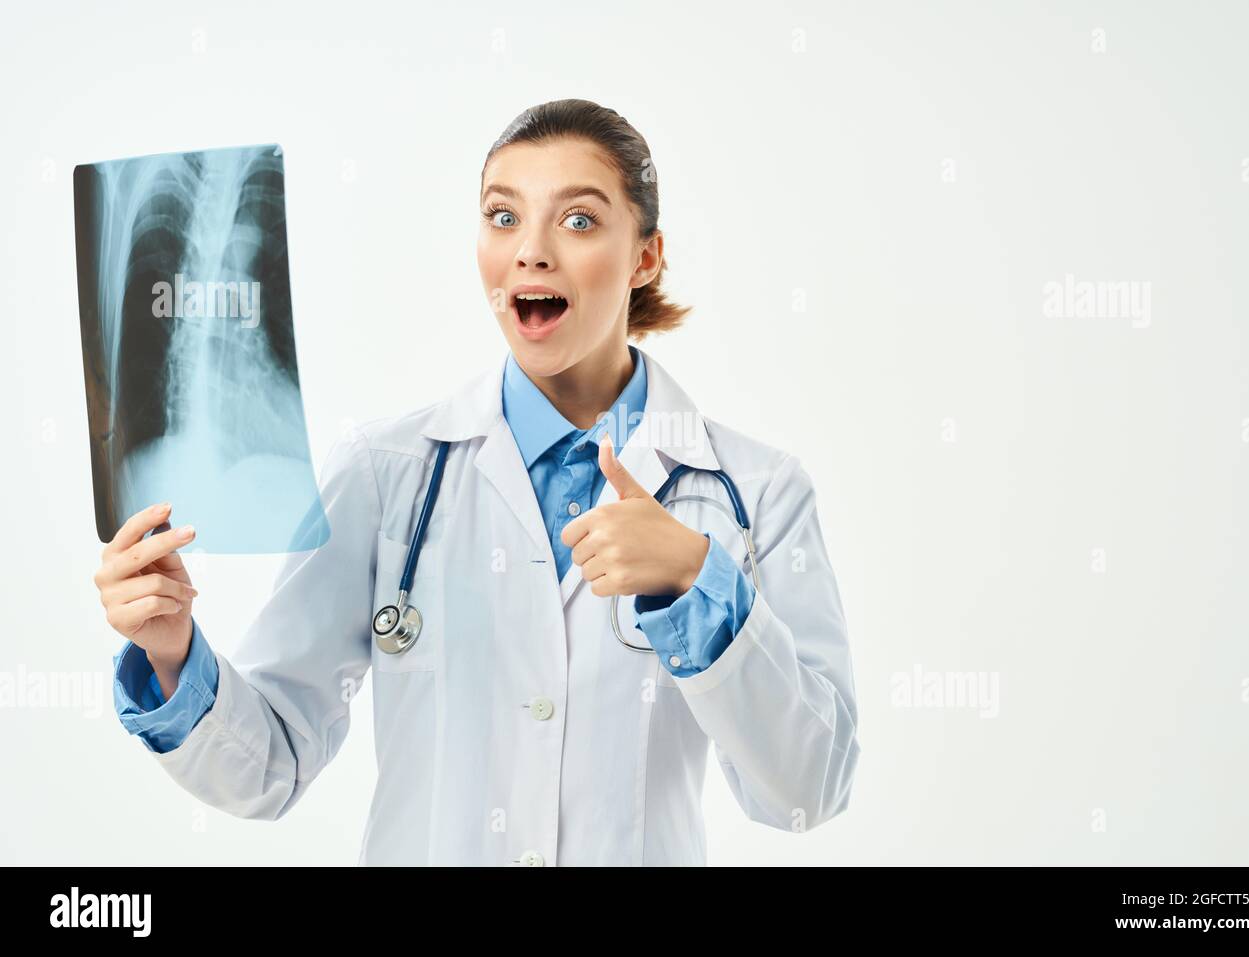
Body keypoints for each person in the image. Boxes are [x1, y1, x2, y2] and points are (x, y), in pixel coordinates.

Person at [94, 98, 860, 866]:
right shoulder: (384, 474)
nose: (530, 251)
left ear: (646, 257)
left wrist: (699, 582)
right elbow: (269, 764)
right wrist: (171, 654)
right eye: (503, 216)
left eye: (580, 221)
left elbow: (808, 788)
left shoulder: (757, 492)